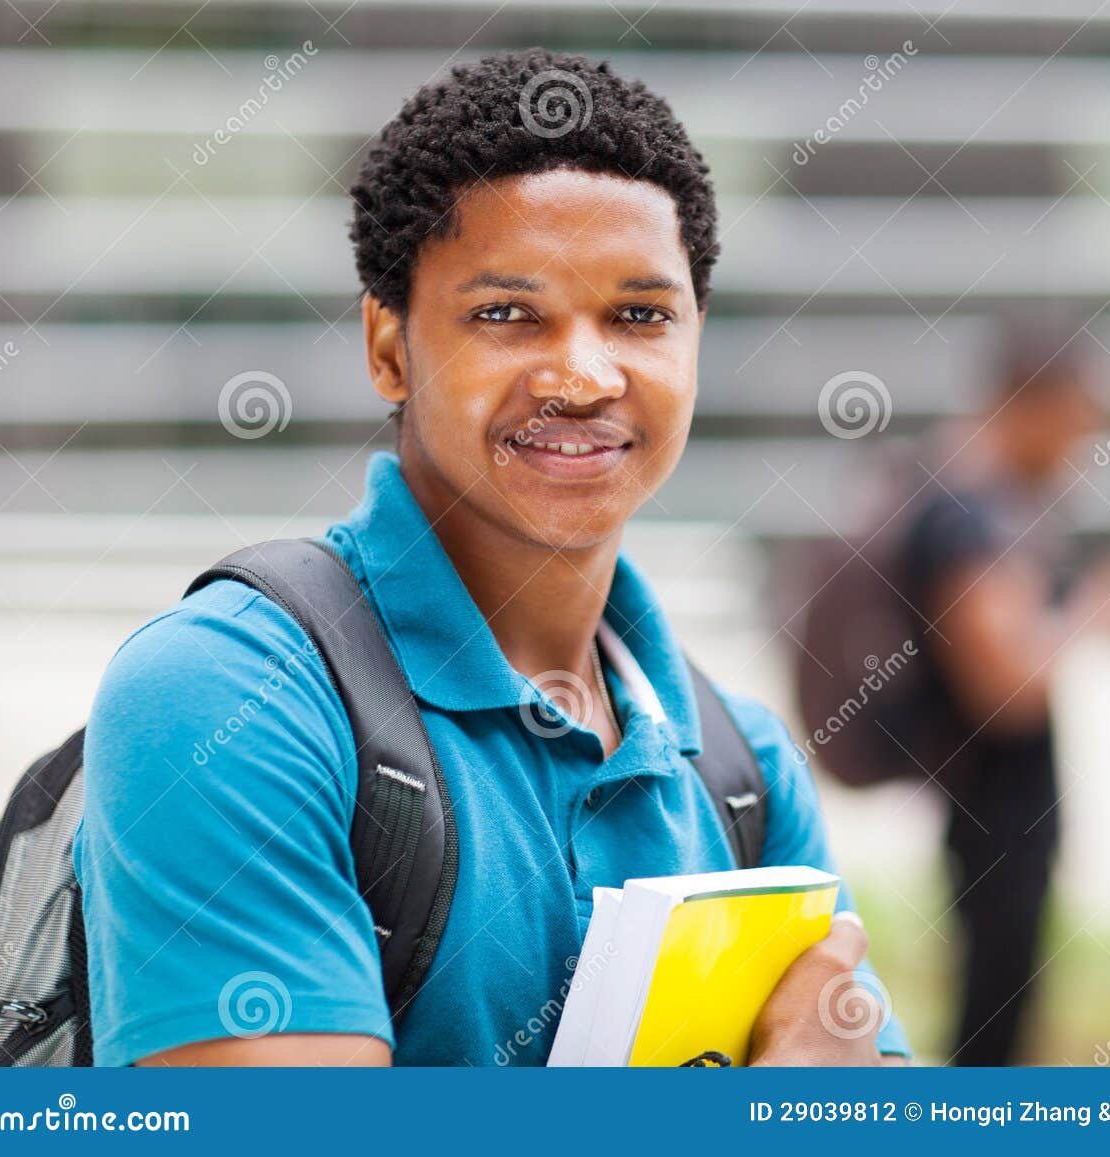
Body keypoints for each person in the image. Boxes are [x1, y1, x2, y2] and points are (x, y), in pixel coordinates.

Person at [73, 48, 908, 1067]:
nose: (585, 374)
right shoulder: (230, 695)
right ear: (388, 346)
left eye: (640, 315)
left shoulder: (745, 769)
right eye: (507, 314)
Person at [903, 321, 1110, 1065]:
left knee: (1006, 1008)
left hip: (1008, 807)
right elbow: (1005, 685)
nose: (1082, 451)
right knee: (991, 1021)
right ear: (1032, 404)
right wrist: (1103, 606)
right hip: (991, 811)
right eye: (1077, 427)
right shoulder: (967, 514)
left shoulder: (1002, 503)